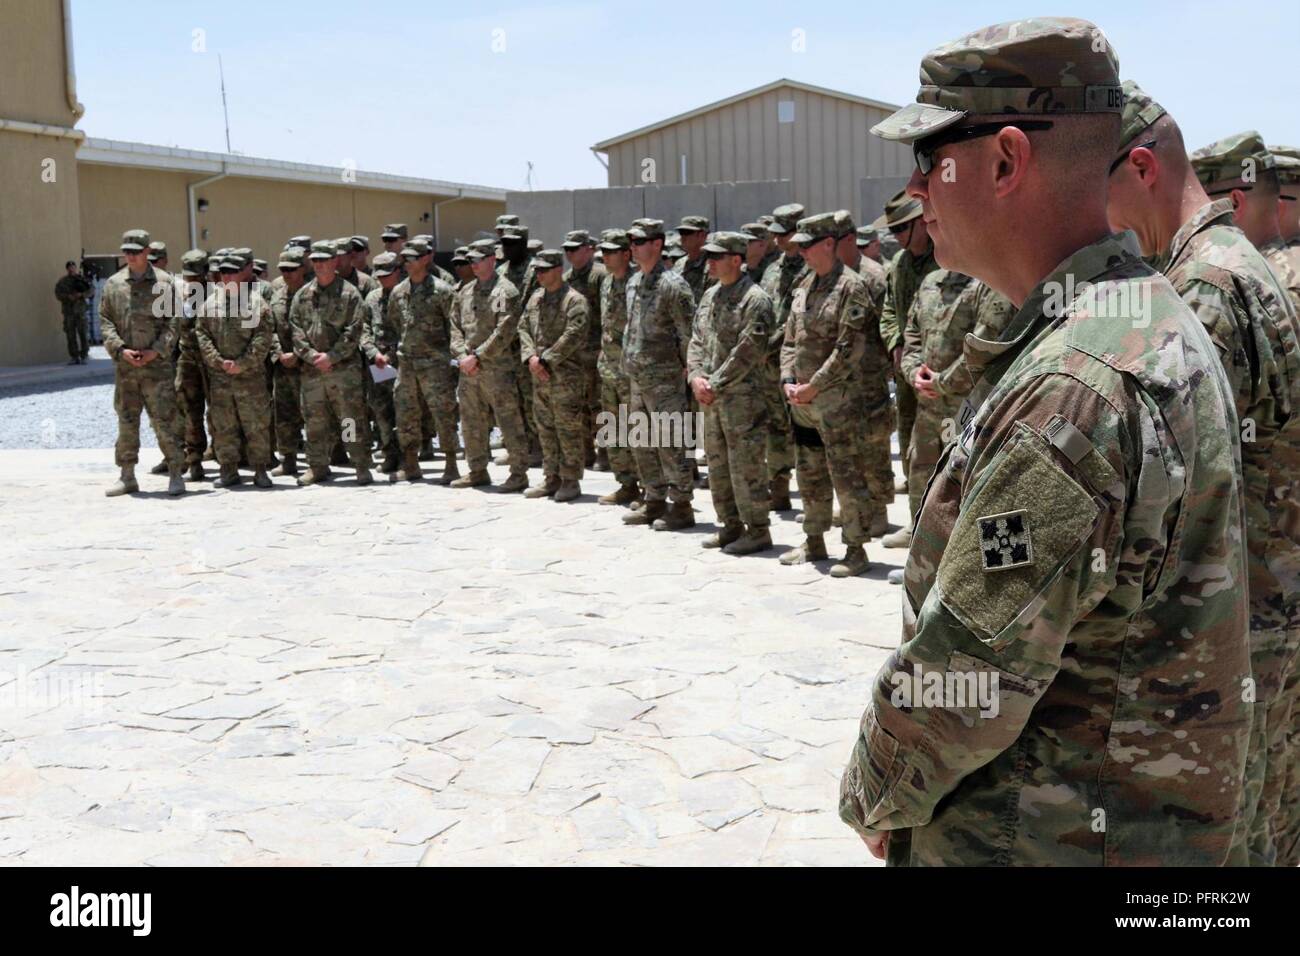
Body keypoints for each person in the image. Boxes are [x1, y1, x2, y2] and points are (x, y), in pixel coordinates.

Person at [839, 17, 1250, 867]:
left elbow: (967, 675)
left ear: (1003, 161)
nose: (917, 188)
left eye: (930, 159)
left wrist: (875, 792)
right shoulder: (1138, 315)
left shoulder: (1075, 383)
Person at [777, 213, 876, 578]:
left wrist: (814, 385)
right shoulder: (804, 287)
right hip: (803, 403)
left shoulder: (852, 287)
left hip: (837, 402)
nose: (801, 251)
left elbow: (848, 348)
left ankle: (855, 548)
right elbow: (790, 337)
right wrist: (789, 379)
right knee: (810, 471)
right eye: (799, 245)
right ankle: (814, 538)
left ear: (829, 244)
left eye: (807, 245)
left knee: (846, 475)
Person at [688, 232, 774, 554]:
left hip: (742, 400)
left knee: (745, 466)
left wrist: (715, 383)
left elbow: (748, 350)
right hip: (711, 399)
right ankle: (730, 524)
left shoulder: (755, 300)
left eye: (716, 256)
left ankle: (758, 529)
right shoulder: (710, 296)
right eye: (708, 255)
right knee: (718, 464)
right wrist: (696, 377)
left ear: (736, 260)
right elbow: (696, 339)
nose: (709, 261)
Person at [620, 218, 697, 530]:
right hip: (638, 377)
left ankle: (681, 505)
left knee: (670, 441)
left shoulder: (673, 285)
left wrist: (687, 370)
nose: (633, 249)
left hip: (665, 379)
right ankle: (653, 499)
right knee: (641, 440)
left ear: (657, 244)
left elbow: (689, 334)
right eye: (632, 243)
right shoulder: (633, 283)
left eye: (639, 242)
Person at [99, 229, 185, 497]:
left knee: (164, 421)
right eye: (127, 251)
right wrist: (119, 349)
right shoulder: (114, 284)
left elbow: (174, 323)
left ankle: (175, 474)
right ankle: (127, 476)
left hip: (156, 368)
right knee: (126, 420)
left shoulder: (163, 283)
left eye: (136, 251)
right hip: (126, 368)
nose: (131, 256)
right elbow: (106, 321)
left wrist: (156, 351)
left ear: (148, 252)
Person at [878, 189, 939, 547]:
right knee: (910, 449)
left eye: (903, 229)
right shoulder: (899, 265)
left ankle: (938, 527)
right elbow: (889, 310)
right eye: (895, 232)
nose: (899, 238)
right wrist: (896, 343)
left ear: (920, 223)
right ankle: (917, 521)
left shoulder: (945, 260)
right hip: (906, 374)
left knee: (941, 454)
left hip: (939, 376)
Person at [288, 241, 374, 486]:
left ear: (335, 261)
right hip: (312, 370)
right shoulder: (303, 295)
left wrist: (331, 357)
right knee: (315, 421)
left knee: (349, 420)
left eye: (324, 260)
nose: (319, 265)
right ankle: (317, 466)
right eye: (315, 261)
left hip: (343, 371)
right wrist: (313, 356)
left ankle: (359, 464)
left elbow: (354, 330)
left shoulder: (350, 294)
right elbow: (296, 330)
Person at [449, 239, 529, 492]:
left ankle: (518, 473)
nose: (472, 265)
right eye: (470, 260)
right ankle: (477, 470)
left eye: (477, 260)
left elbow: (504, 331)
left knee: (508, 420)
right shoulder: (465, 291)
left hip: (497, 368)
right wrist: (462, 355)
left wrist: (478, 357)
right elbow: (454, 327)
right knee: (471, 421)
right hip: (468, 368)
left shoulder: (504, 291)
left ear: (492, 260)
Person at [195, 254, 275, 488]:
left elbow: (263, 337)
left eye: (233, 272)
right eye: (224, 273)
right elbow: (202, 334)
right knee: (224, 425)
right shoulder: (210, 304)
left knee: (256, 425)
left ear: (243, 274)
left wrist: (242, 362)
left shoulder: (256, 304)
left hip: (249, 378)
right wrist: (218, 361)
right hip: (220, 378)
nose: (228, 277)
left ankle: (260, 469)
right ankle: (228, 470)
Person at [388, 241, 461, 485]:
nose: (407, 262)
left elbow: (454, 327)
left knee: (444, 414)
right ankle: (410, 464)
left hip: (435, 364)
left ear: (425, 259)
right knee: (406, 415)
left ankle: (451, 464)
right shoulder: (398, 292)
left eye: (412, 258)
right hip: (407, 363)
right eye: (405, 258)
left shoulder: (442, 290)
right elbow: (395, 324)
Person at [520, 249, 589, 501]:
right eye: (536, 270)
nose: (538, 274)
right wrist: (530, 357)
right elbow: (523, 327)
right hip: (540, 376)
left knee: (567, 429)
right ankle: (551, 477)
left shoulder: (574, 300)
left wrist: (546, 359)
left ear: (558, 270)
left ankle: (570, 480)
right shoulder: (536, 298)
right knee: (545, 428)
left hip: (564, 376)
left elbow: (574, 334)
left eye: (543, 270)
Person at [760, 203, 807, 512]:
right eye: (775, 235)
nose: (778, 241)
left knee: (806, 432)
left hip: (800, 362)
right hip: (768, 364)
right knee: (775, 427)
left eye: (784, 234)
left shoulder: (810, 268)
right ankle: (778, 486)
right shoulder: (773, 269)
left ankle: (817, 497)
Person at [594, 229, 642, 507]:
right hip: (609, 369)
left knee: (638, 431)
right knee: (612, 431)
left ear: (626, 253)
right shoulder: (606, 283)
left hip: (631, 372)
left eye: (611, 252)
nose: (606, 257)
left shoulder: (638, 283)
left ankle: (648, 487)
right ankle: (626, 484)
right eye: (604, 252)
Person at [54, 261, 91, 364]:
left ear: (75, 268)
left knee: (83, 333)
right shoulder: (63, 282)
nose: (72, 269)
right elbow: (58, 294)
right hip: (69, 312)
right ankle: (74, 356)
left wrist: (82, 294)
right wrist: (67, 297)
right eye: (70, 267)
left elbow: (91, 290)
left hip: (80, 312)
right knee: (70, 335)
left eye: (73, 267)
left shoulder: (82, 279)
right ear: (67, 269)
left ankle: (84, 355)